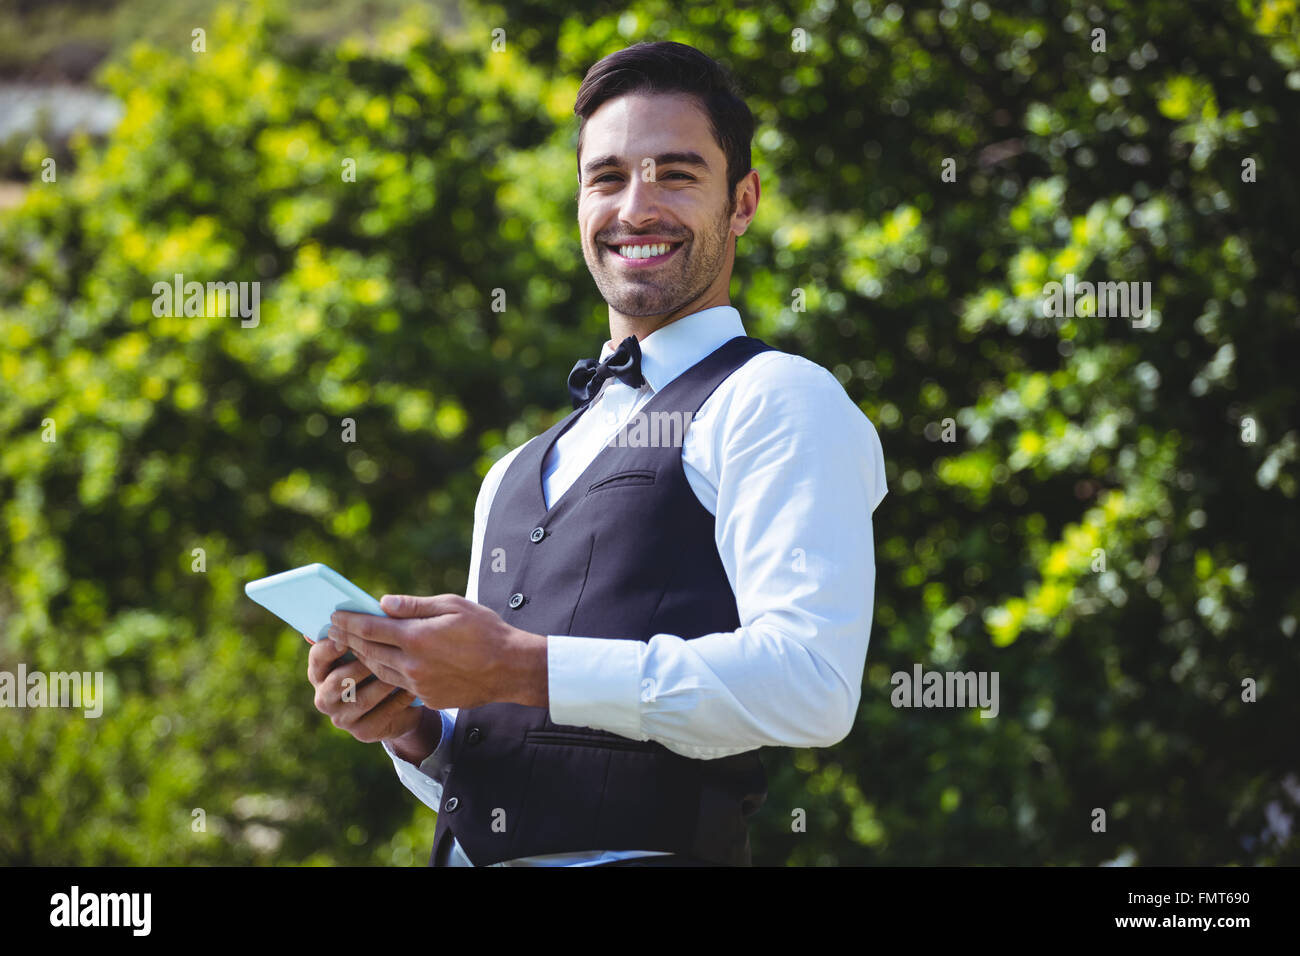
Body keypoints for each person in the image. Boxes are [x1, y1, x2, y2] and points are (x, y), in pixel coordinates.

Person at [307, 40, 887, 867]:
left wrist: (519, 666)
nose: (636, 207)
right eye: (608, 177)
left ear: (744, 202)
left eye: (677, 175)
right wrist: (411, 729)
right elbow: (512, 759)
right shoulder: (511, 473)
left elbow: (811, 686)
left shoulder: (778, 398)